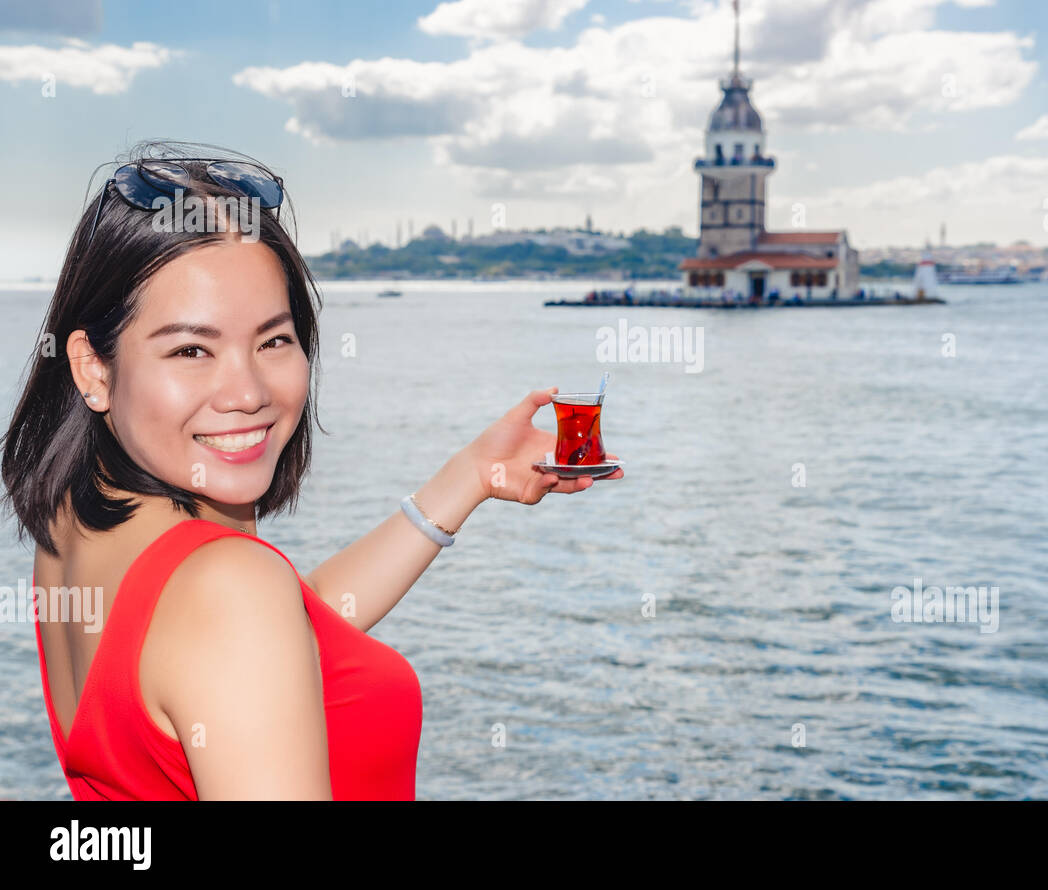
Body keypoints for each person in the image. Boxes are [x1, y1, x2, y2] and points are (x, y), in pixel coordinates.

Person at [0, 142, 623, 801]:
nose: (246, 391)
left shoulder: (77, 517)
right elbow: (245, 623)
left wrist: (470, 475)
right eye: (190, 349)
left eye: (273, 340)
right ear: (92, 367)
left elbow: (285, 627)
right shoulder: (230, 591)